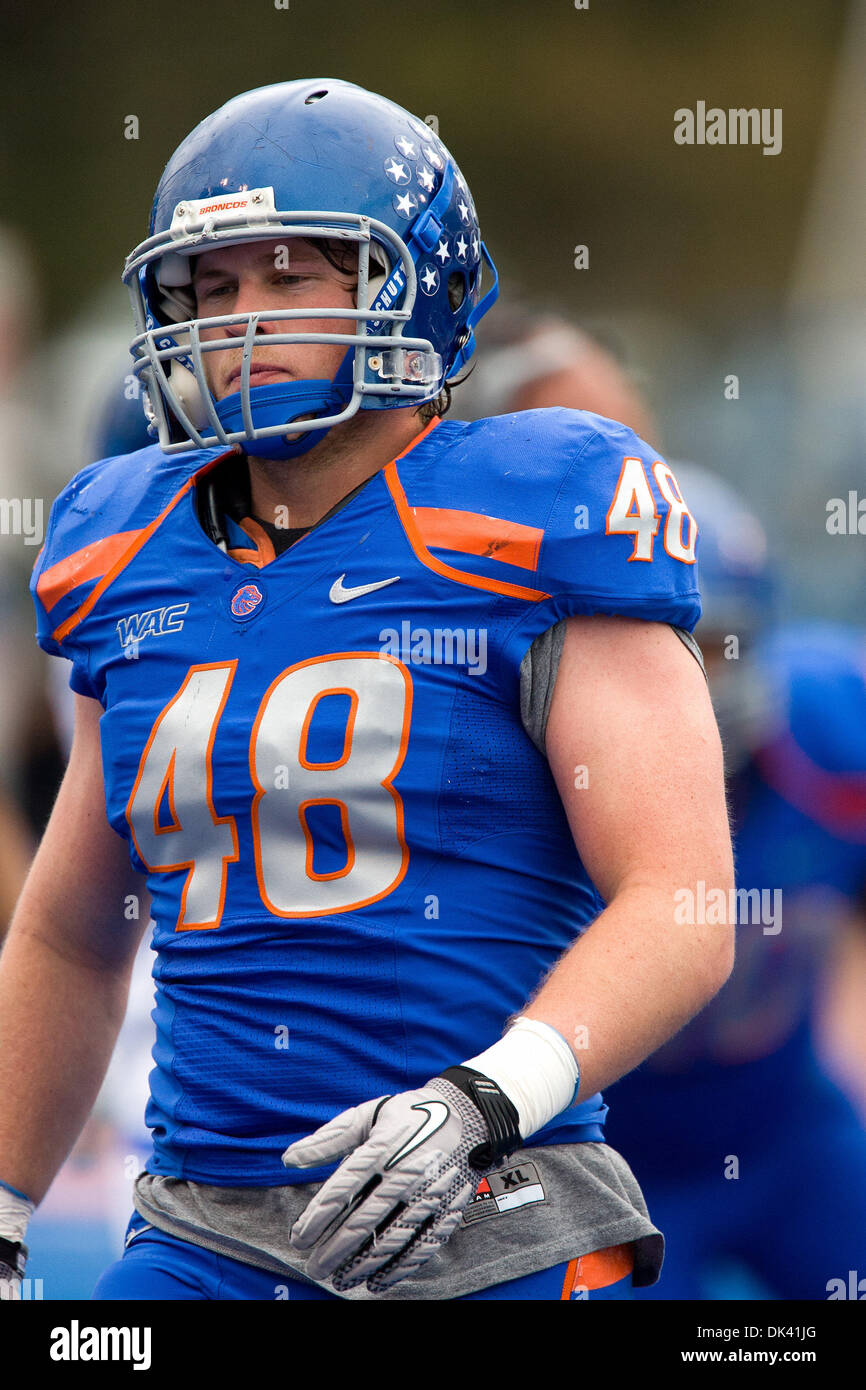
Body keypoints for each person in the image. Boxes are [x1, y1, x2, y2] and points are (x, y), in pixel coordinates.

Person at [0, 78, 733, 1301]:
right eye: (216, 286)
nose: (241, 320)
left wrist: (481, 1101)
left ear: (410, 285)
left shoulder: (533, 502)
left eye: (290, 278)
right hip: (204, 1229)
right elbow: (75, 933)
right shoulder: (118, 542)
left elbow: (687, 898)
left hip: (495, 1206)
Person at [603, 466, 866, 1300]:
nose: (686, 682)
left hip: (791, 1130)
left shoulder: (835, 717)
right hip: (615, 1173)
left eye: (708, 644)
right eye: (653, 647)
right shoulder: (543, 786)